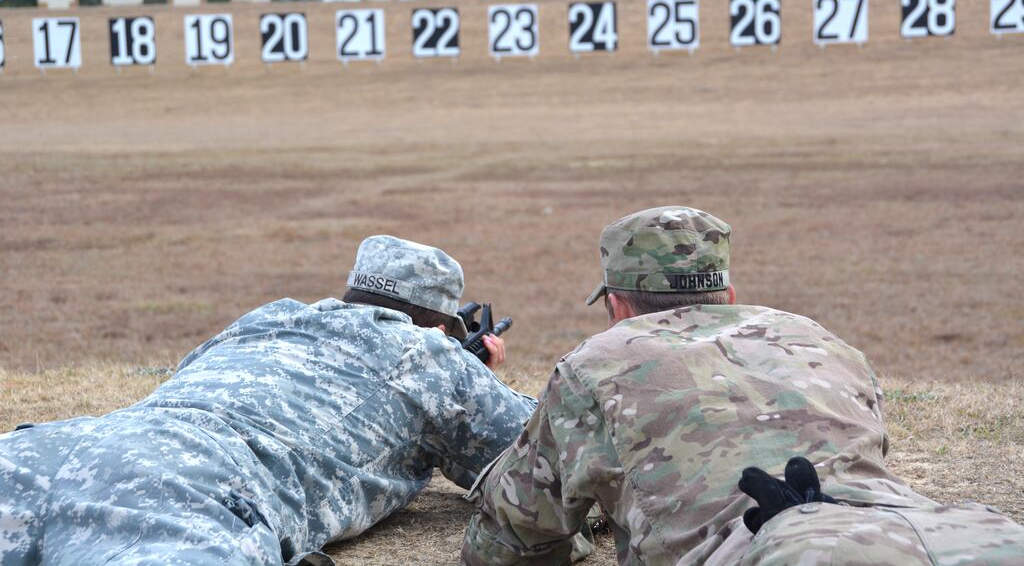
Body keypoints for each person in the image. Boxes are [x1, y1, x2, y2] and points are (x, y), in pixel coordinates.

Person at [461, 206, 1024, 565]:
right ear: (727, 296)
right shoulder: (818, 338)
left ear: (617, 304)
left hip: (782, 549)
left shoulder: (595, 363)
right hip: (962, 531)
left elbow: (516, 537)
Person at [0, 235, 536, 566]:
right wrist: (470, 370)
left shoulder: (273, 314)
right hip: (192, 483)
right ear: (441, 324)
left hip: (62, 444)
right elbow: (555, 452)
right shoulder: (427, 354)